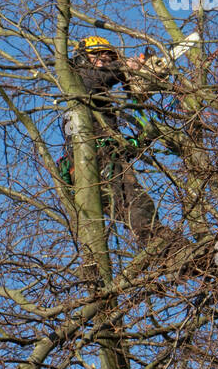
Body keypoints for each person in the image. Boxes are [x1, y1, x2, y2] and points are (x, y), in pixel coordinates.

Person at [61, 36, 162, 246]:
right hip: (96, 164)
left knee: (134, 208)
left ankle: (163, 251)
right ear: (82, 59)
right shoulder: (80, 83)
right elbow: (96, 78)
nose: (105, 60)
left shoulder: (95, 102)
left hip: (95, 167)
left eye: (109, 57)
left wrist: (139, 141)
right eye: (99, 55)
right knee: (137, 204)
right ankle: (165, 249)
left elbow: (113, 144)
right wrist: (125, 65)